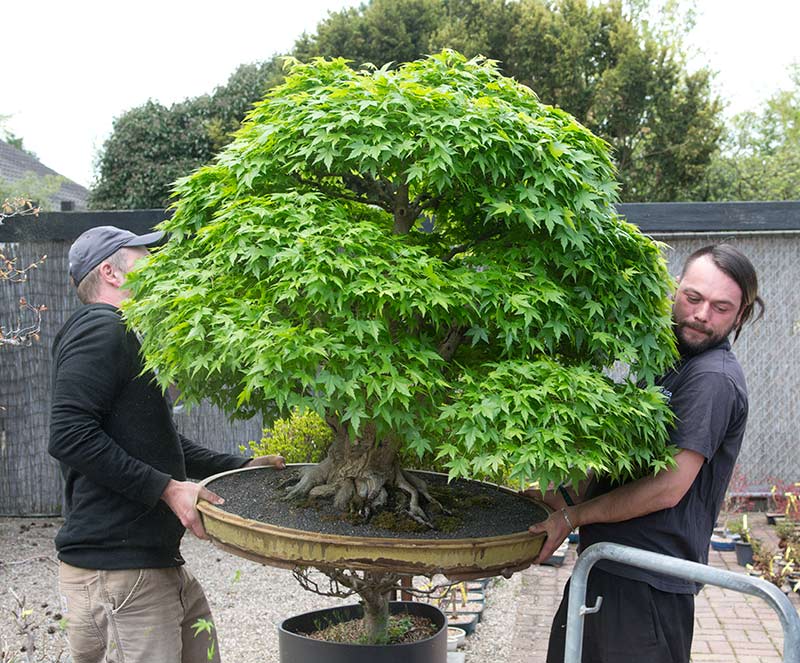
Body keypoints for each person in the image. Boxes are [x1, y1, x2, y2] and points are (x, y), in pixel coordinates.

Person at [49, 225, 284, 663]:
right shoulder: (99, 328)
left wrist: (240, 467)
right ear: (110, 272)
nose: (155, 265)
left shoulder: (121, 334)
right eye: (143, 256)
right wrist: (168, 488)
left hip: (153, 564)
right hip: (117, 573)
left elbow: (156, 441)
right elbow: (68, 433)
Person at [529, 243, 764, 663]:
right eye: (693, 298)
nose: (701, 315)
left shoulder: (712, 379)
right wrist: (563, 497)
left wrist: (573, 516)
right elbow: (622, 455)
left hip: (648, 591)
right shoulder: (663, 357)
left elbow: (667, 488)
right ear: (676, 289)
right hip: (608, 571)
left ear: (741, 315)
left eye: (721, 307)